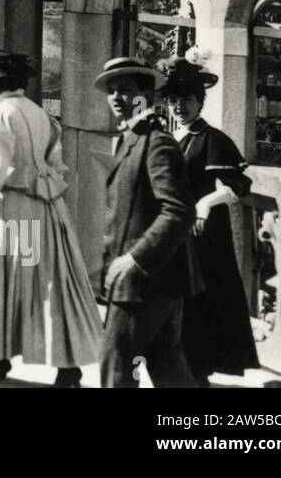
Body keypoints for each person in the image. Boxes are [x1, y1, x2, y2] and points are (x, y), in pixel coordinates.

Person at [0, 39, 101, 387]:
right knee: (49, 282)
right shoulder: (42, 115)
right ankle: (62, 366)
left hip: (12, 208)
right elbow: (56, 165)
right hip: (49, 211)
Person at [95, 56, 203, 388]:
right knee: (166, 365)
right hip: (152, 282)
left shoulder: (157, 143)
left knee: (115, 367)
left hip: (145, 282)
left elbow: (179, 211)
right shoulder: (131, 139)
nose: (116, 97)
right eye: (111, 90)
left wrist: (135, 258)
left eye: (125, 90)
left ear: (145, 95)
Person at [158, 49, 260, 386]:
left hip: (204, 236)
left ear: (200, 102)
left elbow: (239, 185)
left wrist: (207, 203)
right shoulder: (171, 139)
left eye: (186, 99)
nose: (179, 106)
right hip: (175, 233)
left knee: (203, 302)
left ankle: (198, 372)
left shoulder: (211, 139)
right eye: (173, 99)